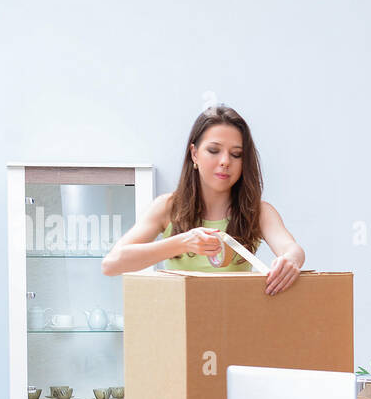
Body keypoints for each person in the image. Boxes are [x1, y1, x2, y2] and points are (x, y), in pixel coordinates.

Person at [102, 104, 304, 294]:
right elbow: (112, 264)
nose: (225, 161)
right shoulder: (168, 208)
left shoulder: (259, 212)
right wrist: (182, 242)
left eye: (236, 154)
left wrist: (291, 260)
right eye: (214, 151)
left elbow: (292, 250)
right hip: (179, 327)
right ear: (194, 154)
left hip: (234, 324)